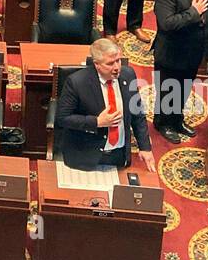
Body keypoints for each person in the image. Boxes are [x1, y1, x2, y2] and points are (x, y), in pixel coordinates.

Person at [54, 38, 155, 171]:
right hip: (86, 156)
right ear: (97, 64)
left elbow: (137, 114)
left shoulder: (128, 75)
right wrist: (96, 122)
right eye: (110, 63)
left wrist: (145, 147)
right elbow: (62, 118)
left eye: (118, 60)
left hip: (118, 155)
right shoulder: (77, 82)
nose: (117, 67)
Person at [152, 0, 208, 144]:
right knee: (168, 90)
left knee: (184, 88)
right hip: (172, 51)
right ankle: (163, 123)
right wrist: (193, 13)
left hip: (194, 48)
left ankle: (177, 120)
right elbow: (167, 24)